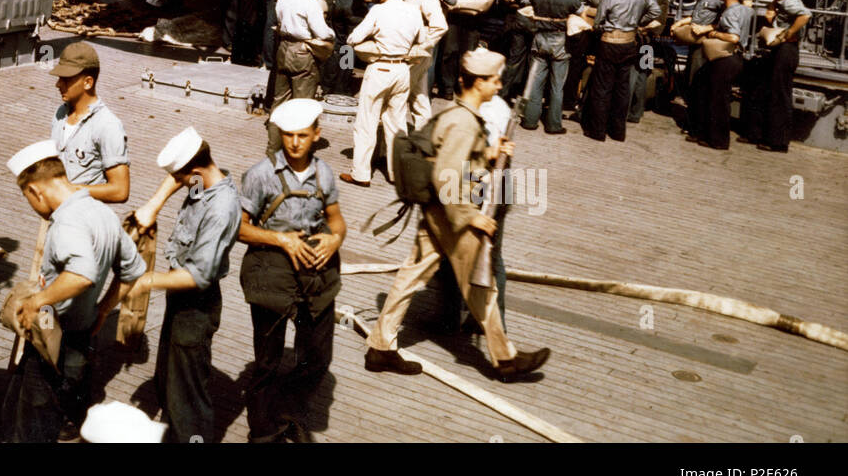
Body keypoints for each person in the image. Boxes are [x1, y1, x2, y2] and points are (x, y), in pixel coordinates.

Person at [364, 50, 550, 381]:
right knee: (481, 286)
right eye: (493, 80)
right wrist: (470, 217)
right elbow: (447, 175)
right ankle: (505, 359)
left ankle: (380, 345)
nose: (498, 85)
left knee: (411, 276)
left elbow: (455, 161)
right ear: (478, 83)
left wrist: (489, 154)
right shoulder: (464, 121)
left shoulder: (457, 114)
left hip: (438, 211)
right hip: (453, 213)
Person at [3, 139, 147, 443]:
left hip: (55, 343)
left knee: (33, 429)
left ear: (35, 191)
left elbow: (81, 274)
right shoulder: (102, 213)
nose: (33, 208)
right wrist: (104, 309)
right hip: (78, 339)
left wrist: (38, 300)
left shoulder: (67, 222)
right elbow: (133, 269)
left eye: (28, 199)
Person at [124, 127, 242, 443]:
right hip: (180, 300)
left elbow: (197, 276)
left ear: (194, 169)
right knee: (170, 379)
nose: (176, 181)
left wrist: (147, 281)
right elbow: (178, 179)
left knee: (187, 399)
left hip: (196, 305)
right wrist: (153, 205)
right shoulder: (202, 180)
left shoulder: (220, 207)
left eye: (180, 175)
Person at [237, 98, 346, 442]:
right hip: (271, 273)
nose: (295, 143)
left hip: (315, 276)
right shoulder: (260, 174)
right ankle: (264, 433)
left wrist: (335, 240)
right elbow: (239, 228)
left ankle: (284, 412)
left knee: (317, 357)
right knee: (267, 363)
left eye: (302, 135)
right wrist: (281, 241)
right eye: (288, 135)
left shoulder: (324, 173)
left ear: (317, 134)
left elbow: (336, 220)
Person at [342, 0, 425, 187]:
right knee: (397, 123)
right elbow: (422, 41)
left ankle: (361, 174)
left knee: (367, 122)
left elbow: (353, 38)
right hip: (402, 70)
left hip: (380, 68)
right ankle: (397, 173)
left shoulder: (379, 11)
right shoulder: (414, 11)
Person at [49, 41, 130, 204]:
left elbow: (120, 190)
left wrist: (71, 190)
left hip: (85, 221)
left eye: (66, 79)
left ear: (88, 82)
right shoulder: (60, 114)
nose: (58, 84)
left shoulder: (108, 126)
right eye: (59, 78)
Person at [582, 0, 653, 143]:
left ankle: (597, 131)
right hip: (629, 43)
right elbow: (654, 12)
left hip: (609, 43)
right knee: (622, 89)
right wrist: (637, 24)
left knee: (602, 88)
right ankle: (617, 131)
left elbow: (597, 23)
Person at [742, 0, 811, 153]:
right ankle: (758, 134)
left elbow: (805, 15)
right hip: (779, 49)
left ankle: (778, 142)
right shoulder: (783, 2)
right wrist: (772, 6)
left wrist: (789, 33)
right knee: (766, 89)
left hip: (786, 50)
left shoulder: (791, 2)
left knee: (779, 95)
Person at [687, 0, 753, 150]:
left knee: (718, 99)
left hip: (725, 58)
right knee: (706, 86)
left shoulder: (730, 12)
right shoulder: (745, 10)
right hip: (736, 59)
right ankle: (704, 133)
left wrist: (714, 34)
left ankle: (718, 140)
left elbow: (733, 37)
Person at [520, 0, 582, 134]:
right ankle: (554, 124)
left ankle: (530, 121)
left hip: (539, 39)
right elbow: (580, 12)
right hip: (560, 43)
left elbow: (525, 2)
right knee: (557, 86)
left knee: (534, 82)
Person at [498, 0, 555, 98]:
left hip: (521, 14)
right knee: (534, 60)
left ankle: (503, 95)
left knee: (514, 58)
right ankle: (527, 97)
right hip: (537, 17)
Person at [272, 0, 334, 107]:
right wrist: (332, 34)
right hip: (302, 53)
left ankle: (275, 130)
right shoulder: (309, 1)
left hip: (283, 48)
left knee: (280, 101)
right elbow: (322, 33)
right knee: (302, 105)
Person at [403, 0, 448, 130]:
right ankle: (424, 134)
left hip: (416, 54)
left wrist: (420, 47)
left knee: (399, 94)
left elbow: (440, 26)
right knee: (419, 97)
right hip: (415, 53)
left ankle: (391, 141)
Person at [625, 0, 666, 123]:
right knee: (643, 74)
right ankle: (637, 112)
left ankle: (625, 111)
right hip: (650, 42)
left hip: (639, 39)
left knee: (631, 75)